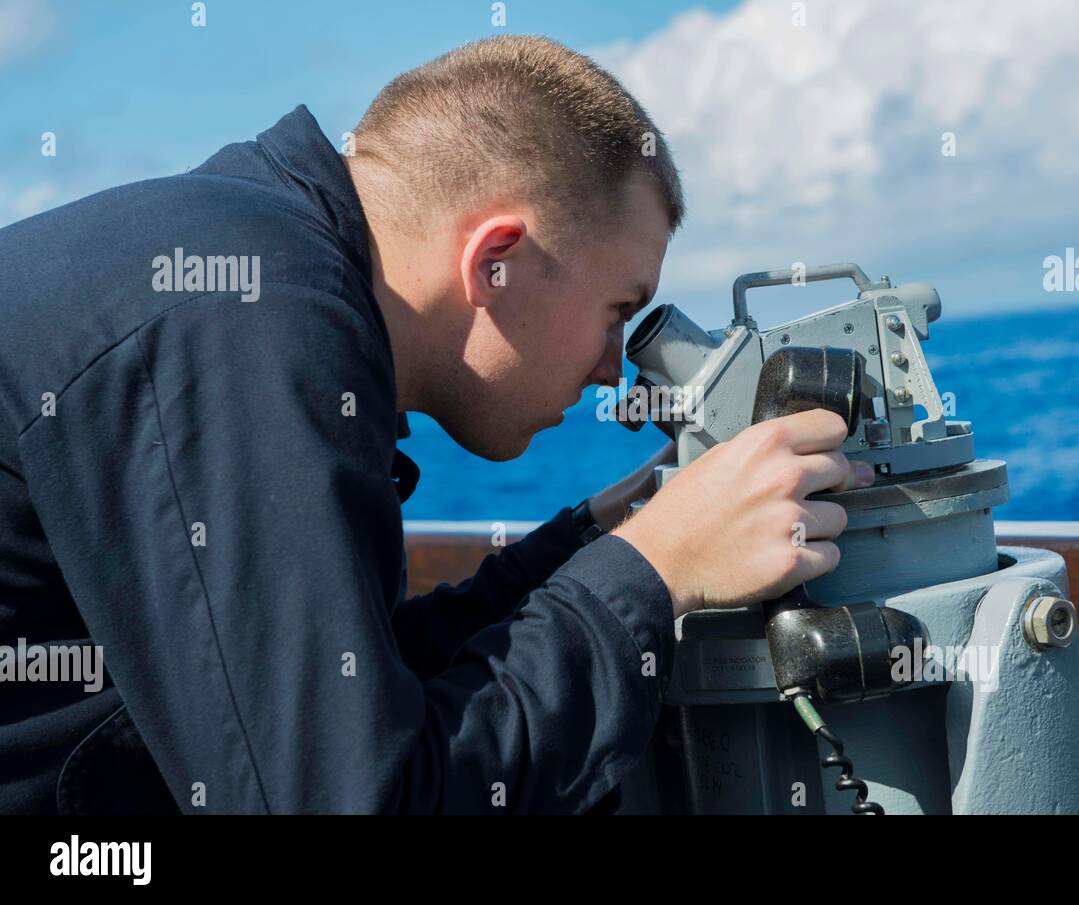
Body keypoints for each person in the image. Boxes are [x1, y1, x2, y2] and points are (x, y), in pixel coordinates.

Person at [0, 35, 870, 814]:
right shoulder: (250, 320)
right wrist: (654, 572)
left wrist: (599, 545)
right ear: (495, 261)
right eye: (617, 310)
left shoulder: (257, 261)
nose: (616, 366)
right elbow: (352, 796)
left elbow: (343, 697)